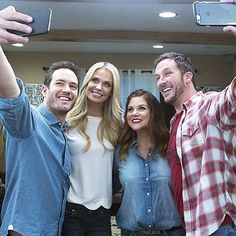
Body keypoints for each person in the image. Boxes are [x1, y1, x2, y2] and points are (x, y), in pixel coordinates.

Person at [0, 6, 80, 236]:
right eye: (60, 83)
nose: (67, 90)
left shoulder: (65, 133)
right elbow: (11, 94)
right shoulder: (28, 121)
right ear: (44, 90)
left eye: (73, 86)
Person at [154, 24, 236, 236]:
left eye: (167, 73)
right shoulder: (175, 122)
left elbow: (232, 97)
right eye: (157, 77)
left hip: (217, 226)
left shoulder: (208, 106)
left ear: (187, 77)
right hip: (190, 227)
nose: (161, 81)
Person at [61, 62, 123, 236]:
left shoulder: (116, 126)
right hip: (70, 210)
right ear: (86, 82)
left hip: (102, 212)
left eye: (107, 84)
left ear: (112, 90)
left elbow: (119, 169)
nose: (99, 87)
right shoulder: (66, 120)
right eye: (95, 80)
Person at [113, 89, 185, 236]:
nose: (134, 113)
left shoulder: (172, 146)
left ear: (154, 113)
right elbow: (110, 189)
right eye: (130, 109)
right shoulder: (121, 152)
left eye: (142, 108)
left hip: (173, 232)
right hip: (132, 233)